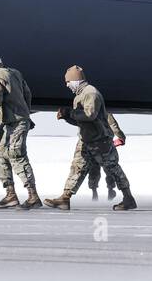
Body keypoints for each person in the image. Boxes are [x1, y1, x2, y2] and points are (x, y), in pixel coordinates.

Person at [45, 66, 136, 211]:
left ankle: (128, 199)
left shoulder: (90, 93)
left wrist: (71, 113)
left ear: (76, 80)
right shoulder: (80, 96)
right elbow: (81, 121)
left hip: (99, 140)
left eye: (68, 82)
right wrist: (66, 116)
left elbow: (90, 115)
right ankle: (65, 198)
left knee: (112, 169)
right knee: (77, 168)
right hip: (86, 139)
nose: (67, 85)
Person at [0, 51, 41, 209]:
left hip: (16, 123)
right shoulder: (14, 72)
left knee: (17, 156)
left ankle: (33, 196)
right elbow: (28, 93)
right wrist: (26, 112)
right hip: (15, 122)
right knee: (1, 156)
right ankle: (11, 195)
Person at [84, 112, 126, 201]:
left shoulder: (87, 111)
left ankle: (94, 192)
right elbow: (114, 126)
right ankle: (110, 189)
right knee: (109, 168)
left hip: (91, 145)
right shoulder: (106, 112)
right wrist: (122, 137)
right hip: (105, 144)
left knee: (94, 169)